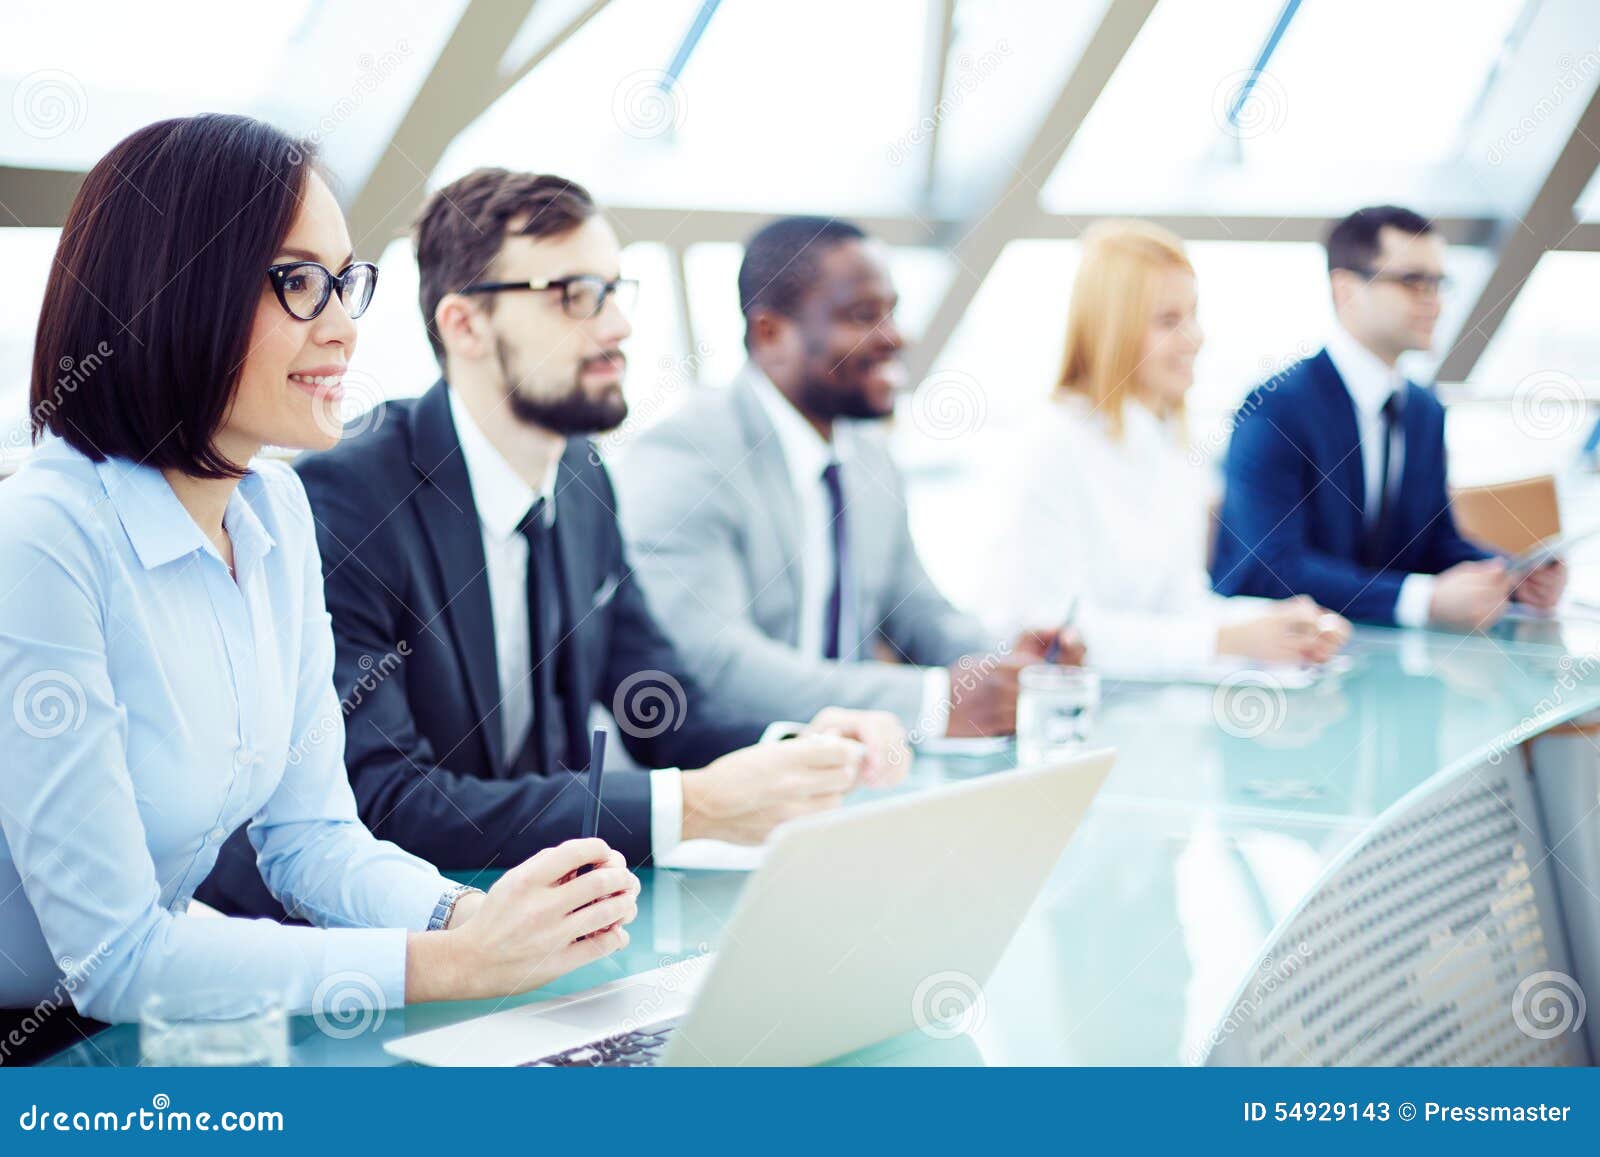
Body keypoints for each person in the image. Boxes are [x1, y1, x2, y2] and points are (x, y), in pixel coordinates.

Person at [0, 117, 639, 1061]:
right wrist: (453, 965)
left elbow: (312, 837)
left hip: (137, 1029)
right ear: (177, 292)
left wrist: (468, 912)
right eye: (299, 283)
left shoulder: (276, 511)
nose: (343, 325)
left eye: (346, 282)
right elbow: (118, 955)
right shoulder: (43, 539)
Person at [201, 172, 903, 919]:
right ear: (465, 325)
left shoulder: (581, 475)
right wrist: (689, 804)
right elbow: (386, 803)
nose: (616, 327)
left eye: (612, 290)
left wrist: (791, 745)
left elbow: (657, 706)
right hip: (347, 956)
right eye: (573, 295)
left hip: (530, 929)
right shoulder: (346, 498)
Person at [613, 217, 1084, 740]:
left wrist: (1011, 665)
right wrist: (928, 704)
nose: (894, 337)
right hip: (734, 781)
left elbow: (918, 613)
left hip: (858, 776)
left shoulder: (866, 452)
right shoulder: (686, 453)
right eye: (863, 316)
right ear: (771, 334)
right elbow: (713, 664)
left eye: (892, 312)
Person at [980, 219, 1350, 668]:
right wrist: (1229, 641)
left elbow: (1182, 606)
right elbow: (1055, 636)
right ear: (1112, 329)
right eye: (1169, 321)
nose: (1196, 337)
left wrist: (1282, 624)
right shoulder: (1050, 444)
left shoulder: (1165, 447)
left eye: (1192, 315)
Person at [1211, 205, 1566, 628]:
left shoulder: (1423, 410)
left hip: (1378, 650)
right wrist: (1422, 600)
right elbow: (1267, 568)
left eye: (1438, 283)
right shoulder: (1276, 407)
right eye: (1412, 281)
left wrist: (1509, 575)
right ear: (1346, 290)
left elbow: (1433, 543)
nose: (1432, 300)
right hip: (1279, 658)